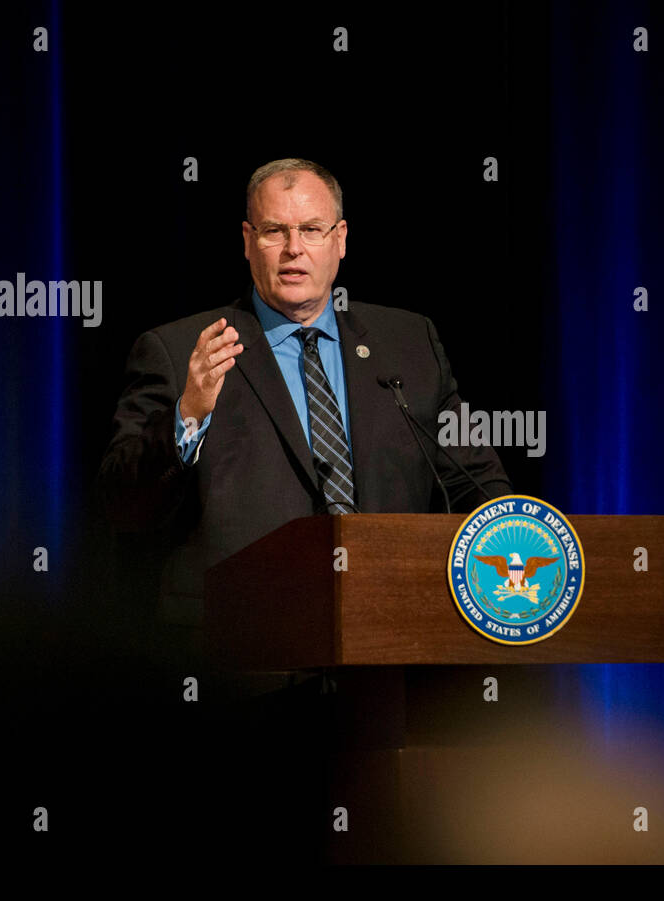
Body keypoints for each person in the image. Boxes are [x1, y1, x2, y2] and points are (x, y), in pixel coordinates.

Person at [98, 158, 512, 635]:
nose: (294, 249)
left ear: (340, 239)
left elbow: (474, 482)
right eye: (275, 231)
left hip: (388, 641)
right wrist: (187, 416)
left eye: (312, 229)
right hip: (237, 650)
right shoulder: (181, 351)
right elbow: (124, 506)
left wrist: (517, 550)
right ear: (248, 241)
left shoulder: (409, 344)